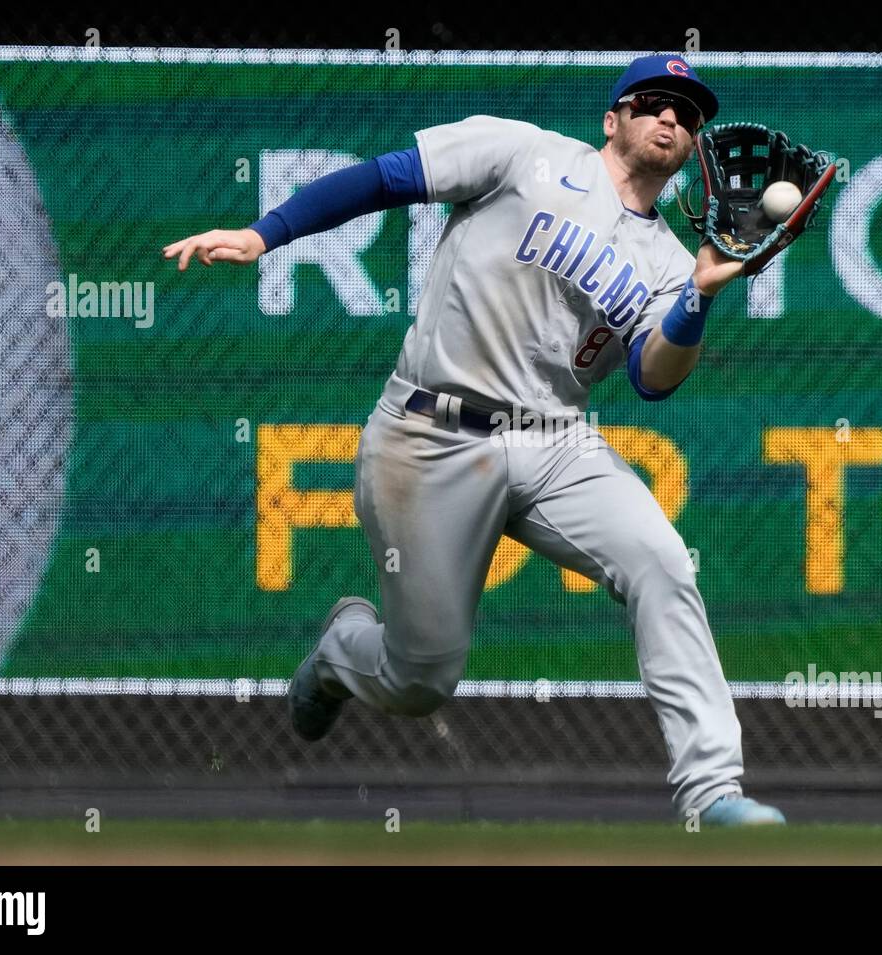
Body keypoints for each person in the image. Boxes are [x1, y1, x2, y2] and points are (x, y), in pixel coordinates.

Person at [163, 54, 784, 827]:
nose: (672, 118)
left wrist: (695, 296)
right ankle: (338, 653)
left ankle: (714, 791)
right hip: (430, 432)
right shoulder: (524, 154)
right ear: (612, 118)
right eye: (655, 102)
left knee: (661, 560)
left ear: (692, 144)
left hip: (556, 440)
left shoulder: (666, 260)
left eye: (688, 115)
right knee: (420, 680)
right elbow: (384, 177)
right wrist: (266, 233)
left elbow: (655, 379)